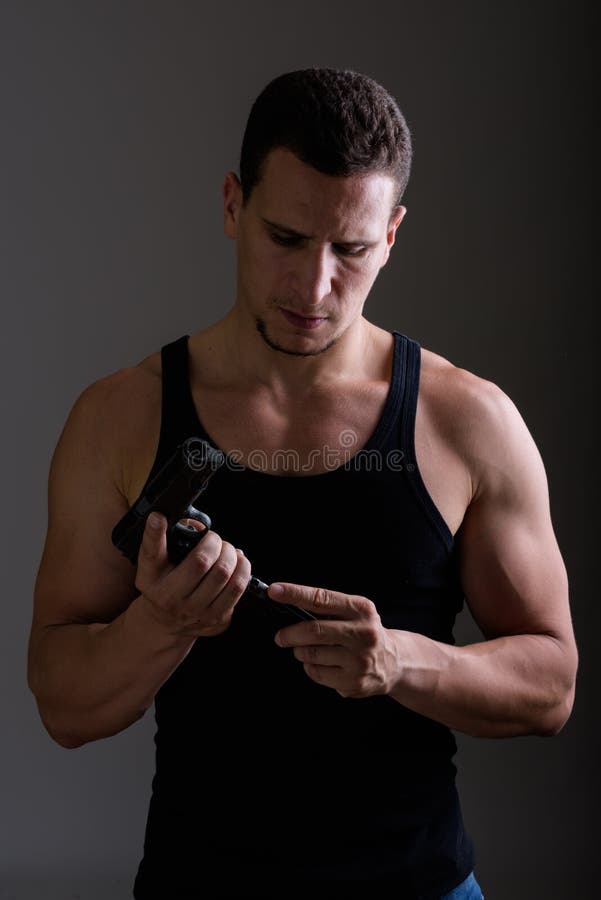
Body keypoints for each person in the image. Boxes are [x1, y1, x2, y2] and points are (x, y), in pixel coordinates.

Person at [28, 67, 578, 899]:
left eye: (350, 250)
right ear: (230, 206)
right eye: (285, 238)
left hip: (417, 886)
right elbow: (62, 707)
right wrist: (161, 626)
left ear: (390, 236)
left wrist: (397, 661)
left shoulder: (467, 421)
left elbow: (551, 685)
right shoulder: (121, 418)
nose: (314, 289)